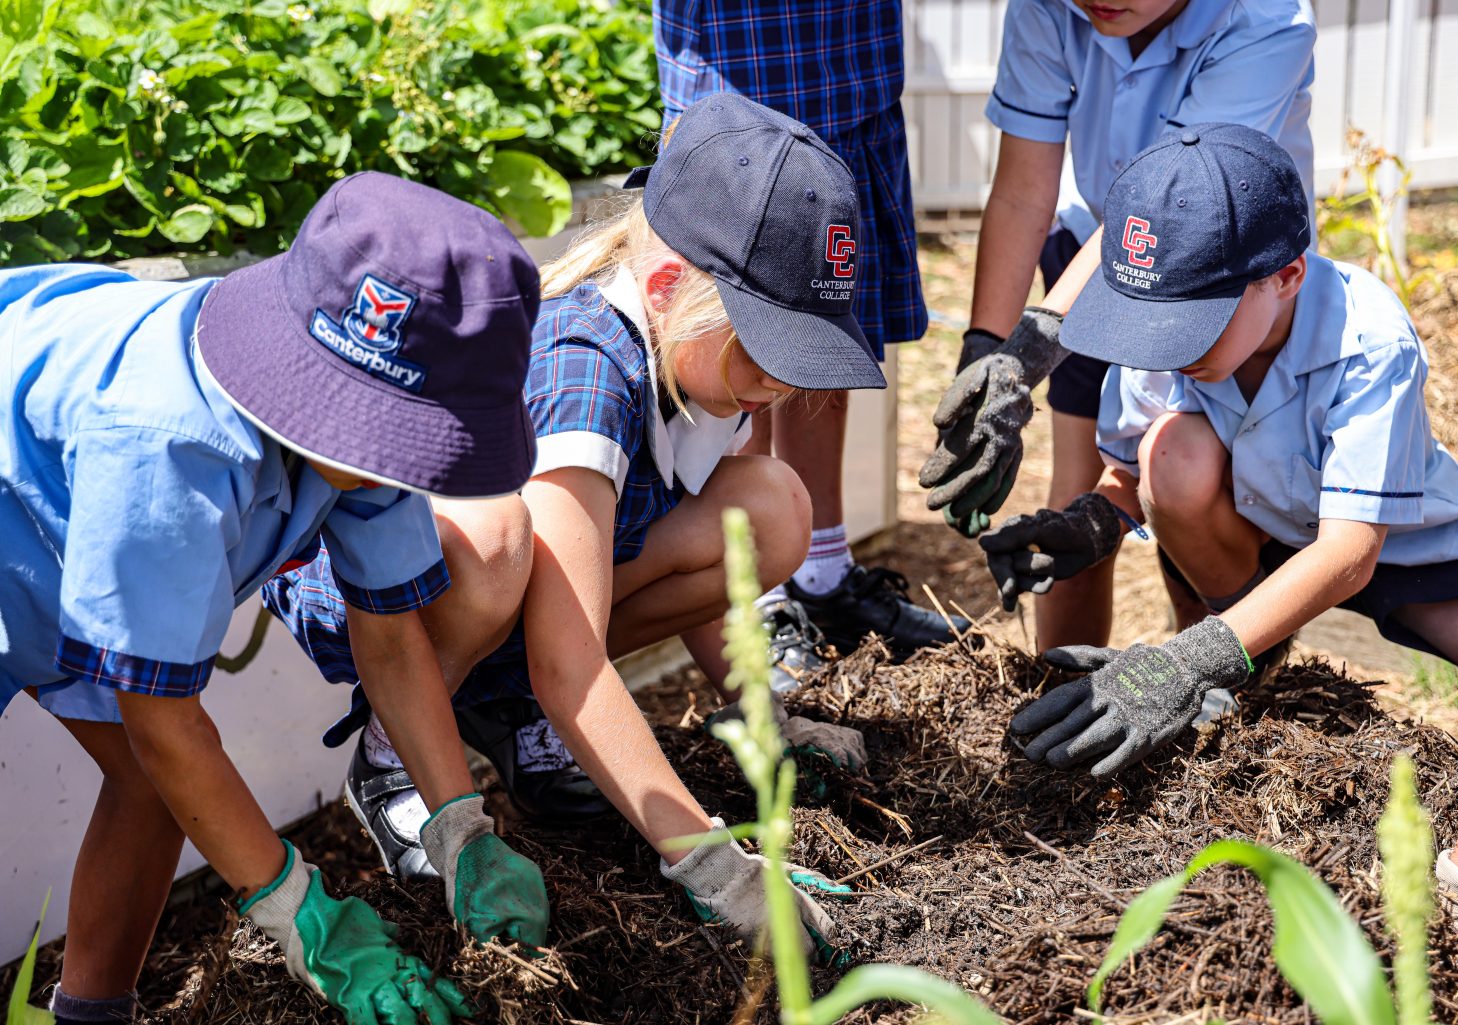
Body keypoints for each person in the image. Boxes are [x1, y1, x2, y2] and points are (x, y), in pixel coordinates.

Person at [265, 94, 878, 959]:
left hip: (522, 605)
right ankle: (393, 751)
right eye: (766, 347)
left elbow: (683, 571)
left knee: (769, 509)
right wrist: (713, 864)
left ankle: (507, 711)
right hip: (388, 598)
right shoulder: (586, 369)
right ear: (669, 287)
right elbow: (572, 661)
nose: (779, 382)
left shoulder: (706, 364)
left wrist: (760, 710)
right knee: (498, 545)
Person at [0, 172, 552, 1025]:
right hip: (23, 514)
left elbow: (393, 640)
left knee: (149, 789)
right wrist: (306, 916)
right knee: (155, 760)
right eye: (396, 434)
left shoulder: (358, 438)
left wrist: (460, 827)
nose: (400, 464)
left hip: (62, 526)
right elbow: (164, 720)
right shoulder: (171, 447)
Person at [991, 125, 1458, 971]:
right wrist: (1089, 523)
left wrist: (1185, 660)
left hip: (1415, 554)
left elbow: (1351, 554)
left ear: (1284, 278)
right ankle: (1252, 665)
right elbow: (1132, 472)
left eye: (1188, 327)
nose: (1162, 347)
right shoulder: (1165, 322)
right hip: (1262, 543)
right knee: (1176, 451)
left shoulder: (1369, 339)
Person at [921, 0, 1316, 651]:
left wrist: (1027, 356)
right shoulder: (1048, 8)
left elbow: (1166, 214)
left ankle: (1212, 687)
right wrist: (988, 352)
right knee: (1078, 493)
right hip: (1088, 259)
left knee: (1188, 484)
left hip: (1216, 290)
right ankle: (1060, 691)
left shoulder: (1265, 20)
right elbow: (1024, 187)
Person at [652, 0, 964, 663]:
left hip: (850, 70)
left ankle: (821, 572)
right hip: (735, 77)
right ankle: (755, 599)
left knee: (824, 327)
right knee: (736, 352)